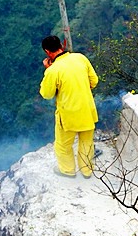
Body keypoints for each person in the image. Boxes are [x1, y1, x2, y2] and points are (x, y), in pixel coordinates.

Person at [39, 35, 99, 177]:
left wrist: (47, 70)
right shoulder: (80, 58)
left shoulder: (53, 70)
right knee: (86, 143)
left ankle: (68, 171)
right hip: (87, 109)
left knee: (63, 145)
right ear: (61, 45)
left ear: (47, 52)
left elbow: (46, 94)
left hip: (68, 114)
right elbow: (94, 81)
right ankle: (87, 170)